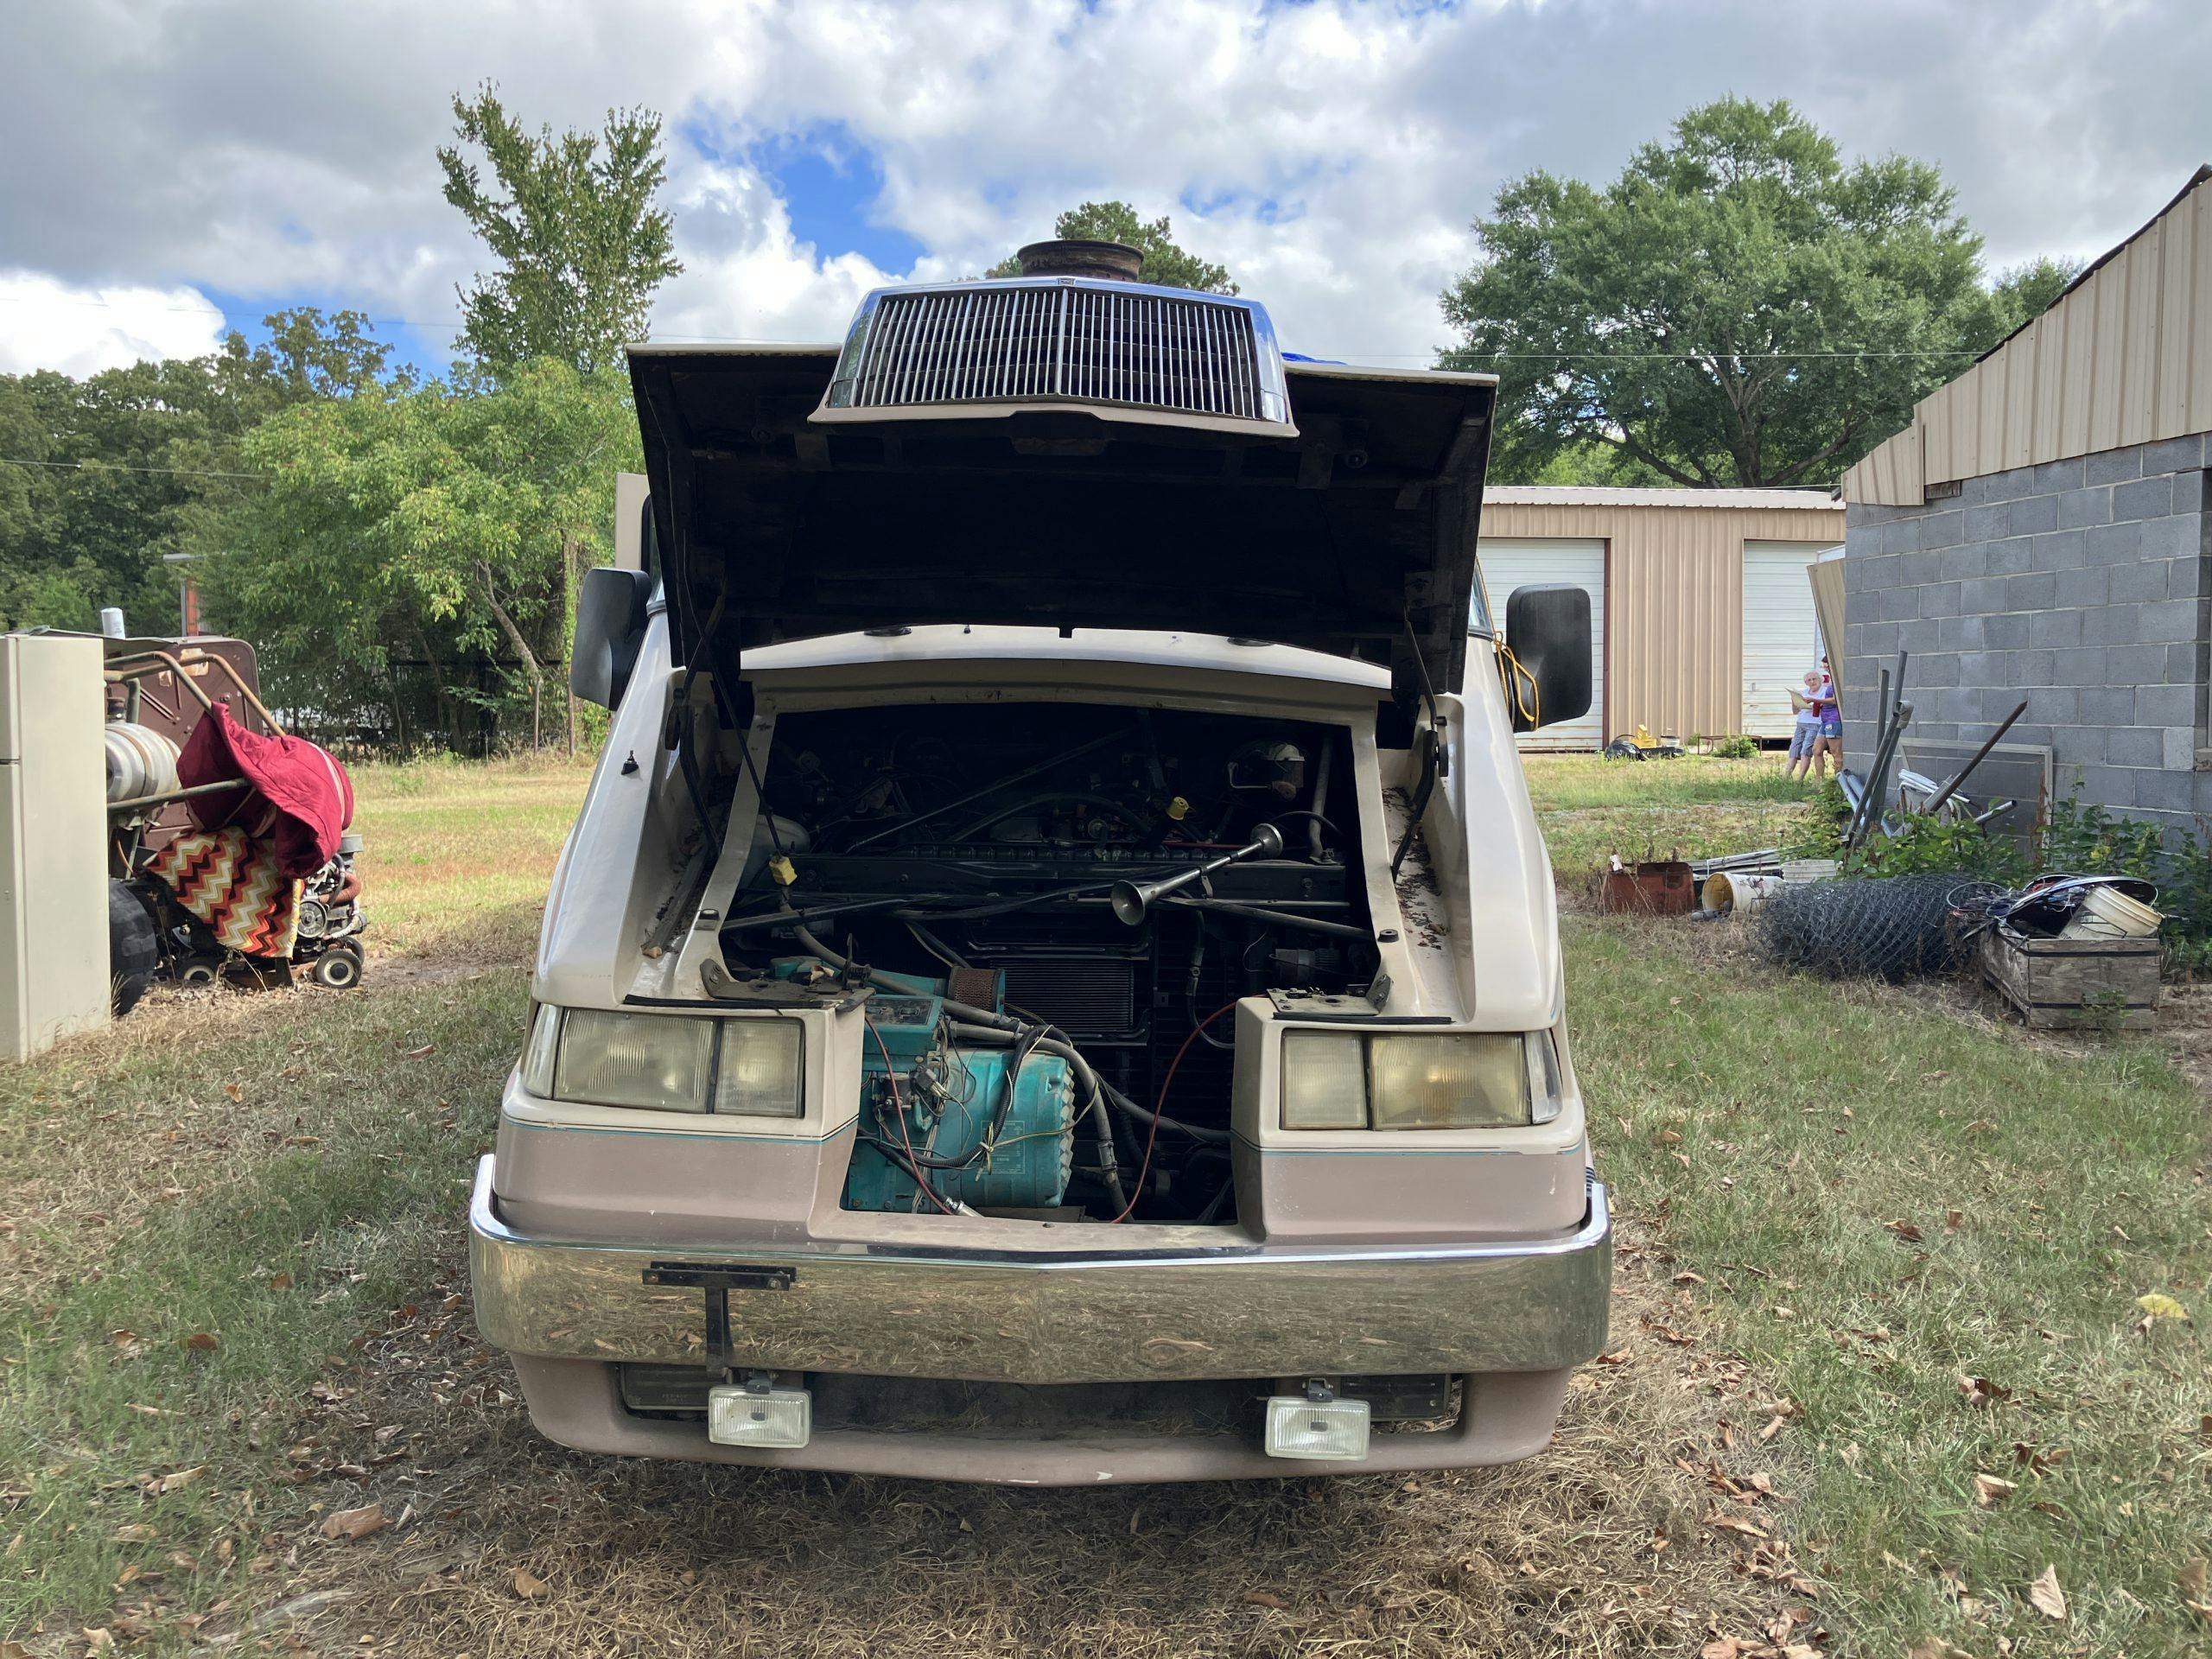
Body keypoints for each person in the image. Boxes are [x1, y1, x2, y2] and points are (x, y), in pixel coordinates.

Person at [1808, 657, 1843, 781]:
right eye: (1824, 667)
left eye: (1827, 666)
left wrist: (1814, 700)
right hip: (1825, 720)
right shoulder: (1832, 679)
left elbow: (1835, 700)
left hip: (1834, 720)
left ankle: (1839, 783)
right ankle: (1819, 781)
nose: (1826, 669)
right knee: (1816, 750)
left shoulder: (1838, 677)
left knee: (1836, 753)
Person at [1785, 671, 1822, 780]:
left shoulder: (1824, 692)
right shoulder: (1804, 692)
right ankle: (1786, 777)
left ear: (1819, 679)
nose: (1812, 682)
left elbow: (1825, 707)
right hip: (1801, 723)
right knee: (1794, 749)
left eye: (1814, 679)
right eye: (1809, 680)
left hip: (1815, 723)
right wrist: (1794, 700)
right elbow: (1795, 712)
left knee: (1806, 750)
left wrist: (1812, 706)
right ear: (1806, 683)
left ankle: (1800, 779)